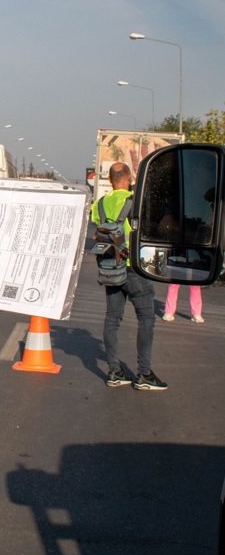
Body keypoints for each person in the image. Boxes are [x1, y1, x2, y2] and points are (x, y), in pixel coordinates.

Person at [91, 162, 166, 391]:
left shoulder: (99, 205)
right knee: (146, 319)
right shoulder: (137, 201)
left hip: (110, 268)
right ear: (130, 177)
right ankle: (144, 374)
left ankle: (114, 372)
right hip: (134, 267)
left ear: (110, 178)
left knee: (112, 319)